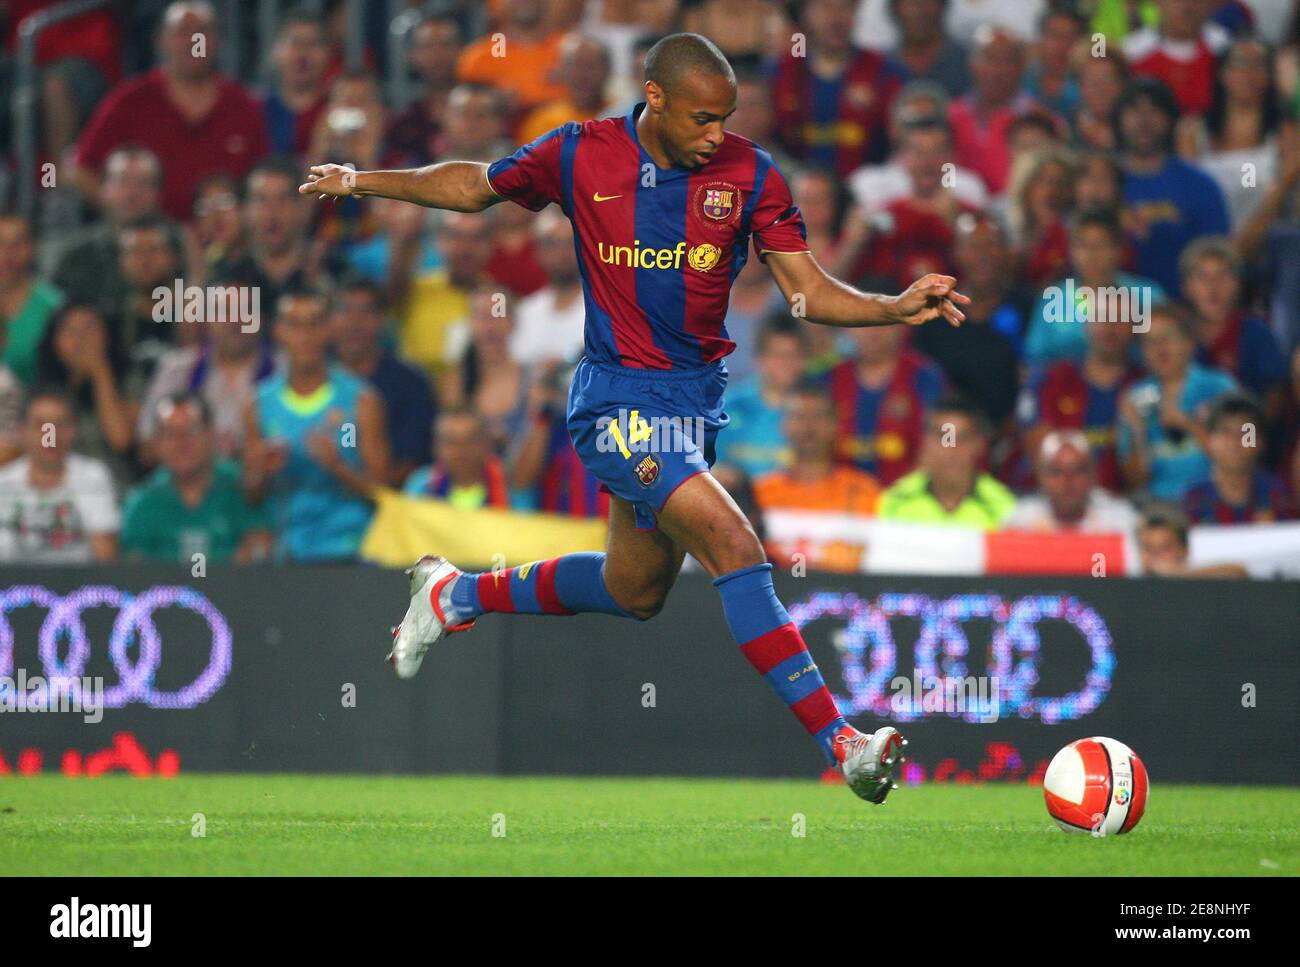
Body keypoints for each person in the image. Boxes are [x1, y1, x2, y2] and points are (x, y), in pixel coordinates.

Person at [302, 32, 970, 804]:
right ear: (654, 97)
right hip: (615, 401)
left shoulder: (752, 174)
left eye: (725, 118)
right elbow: (474, 186)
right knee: (734, 542)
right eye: (701, 119)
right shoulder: (580, 152)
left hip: (695, 404)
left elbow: (807, 291)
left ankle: (454, 595)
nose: (715, 135)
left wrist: (891, 306)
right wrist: (362, 180)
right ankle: (843, 742)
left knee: (635, 590)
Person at [72, 1, 268, 221]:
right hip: (147, 237)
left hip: (225, 237)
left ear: (219, 40)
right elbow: (79, 170)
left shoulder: (243, 105)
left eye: (202, 31)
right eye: (182, 32)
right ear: (161, 40)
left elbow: (266, 178)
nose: (193, 41)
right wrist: (125, 212)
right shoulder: (131, 101)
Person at [243, 288, 390, 562]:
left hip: (350, 551)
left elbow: (382, 491)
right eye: (294, 324)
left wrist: (337, 467)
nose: (305, 335)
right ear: (278, 332)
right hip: (288, 552)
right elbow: (252, 495)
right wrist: (262, 470)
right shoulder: (258, 404)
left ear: (329, 329)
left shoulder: (361, 400)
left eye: (314, 324)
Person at [121, 393, 272, 564]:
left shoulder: (244, 489)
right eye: (170, 433)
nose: (180, 443)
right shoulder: (142, 502)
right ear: (157, 442)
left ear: (211, 434)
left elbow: (260, 546)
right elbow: (135, 570)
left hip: (235, 581)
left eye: (190, 431)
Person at [754, 380, 883, 573]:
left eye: (818, 416)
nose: (809, 426)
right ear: (783, 425)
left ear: (836, 425)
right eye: (800, 416)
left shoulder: (866, 490)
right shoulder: (759, 492)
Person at [1118, 303, 1237, 501]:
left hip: (1214, 500)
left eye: (1167, 337)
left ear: (1189, 342)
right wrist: (1137, 432)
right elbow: (1135, 481)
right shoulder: (1135, 396)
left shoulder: (1219, 387)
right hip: (1159, 505)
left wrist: (1188, 424)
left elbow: (1241, 455)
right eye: (1149, 341)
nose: (1159, 348)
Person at [0, 389, 119, 563]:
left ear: (73, 430)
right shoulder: (3, 483)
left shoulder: (93, 477)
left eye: (59, 425)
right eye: (41, 425)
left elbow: (105, 557)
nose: (50, 437)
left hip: (79, 579)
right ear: (22, 431)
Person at [877, 395, 1016, 529]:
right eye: (944, 438)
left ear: (979, 444)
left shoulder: (1005, 509)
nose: (952, 449)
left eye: (962, 438)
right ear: (926, 441)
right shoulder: (893, 504)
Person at [714, 320, 808, 478]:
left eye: (795, 355)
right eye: (779, 355)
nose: (787, 363)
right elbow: (706, 465)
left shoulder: (814, 413)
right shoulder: (728, 407)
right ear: (760, 359)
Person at [1184, 392, 1294, 524]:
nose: (1235, 442)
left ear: (1260, 442)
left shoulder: (1279, 496)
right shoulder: (1193, 499)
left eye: (1246, 433)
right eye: (1225, 431)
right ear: (1209, 440)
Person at [1005, 430, 1138, 533]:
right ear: (1041, 477)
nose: (1067, 480)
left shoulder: (1120, 520)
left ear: (1093, 475)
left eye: (1078, 470)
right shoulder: (1020, 522)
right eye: (1056, 472)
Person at [404, 406, 511, 509]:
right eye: (451, 441)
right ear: (436, 446)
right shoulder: (421, 487)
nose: (461, 449)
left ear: (486, 444)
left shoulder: (508, 488)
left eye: (471, 440)